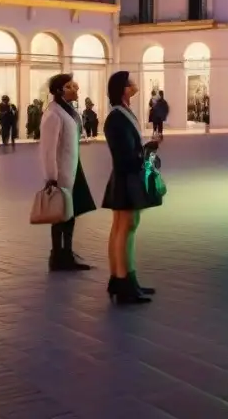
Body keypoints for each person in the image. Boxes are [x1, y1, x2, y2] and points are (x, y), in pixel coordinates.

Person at [102, 71, 160, 305]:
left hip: (123, 176)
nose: (134, 84)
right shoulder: (117, 117)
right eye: (130, 82)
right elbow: (124, 152)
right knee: (125, 227)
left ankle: (122, 278)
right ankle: (123, 282)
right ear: (123, 89)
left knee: (123, 226)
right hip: (126, 176)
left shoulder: (122, 113)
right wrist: (147, 152)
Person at [40, 74, 97, 271]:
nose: (75, 88)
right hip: (61, 172)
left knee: (70, 213)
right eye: (69, 86)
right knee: (59, 214)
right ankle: (57, 256)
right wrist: (51, 177)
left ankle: (67, 253)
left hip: (72, 167)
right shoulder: (53, 114)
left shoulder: (67, 110)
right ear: (58, 90)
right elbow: (48, 149)